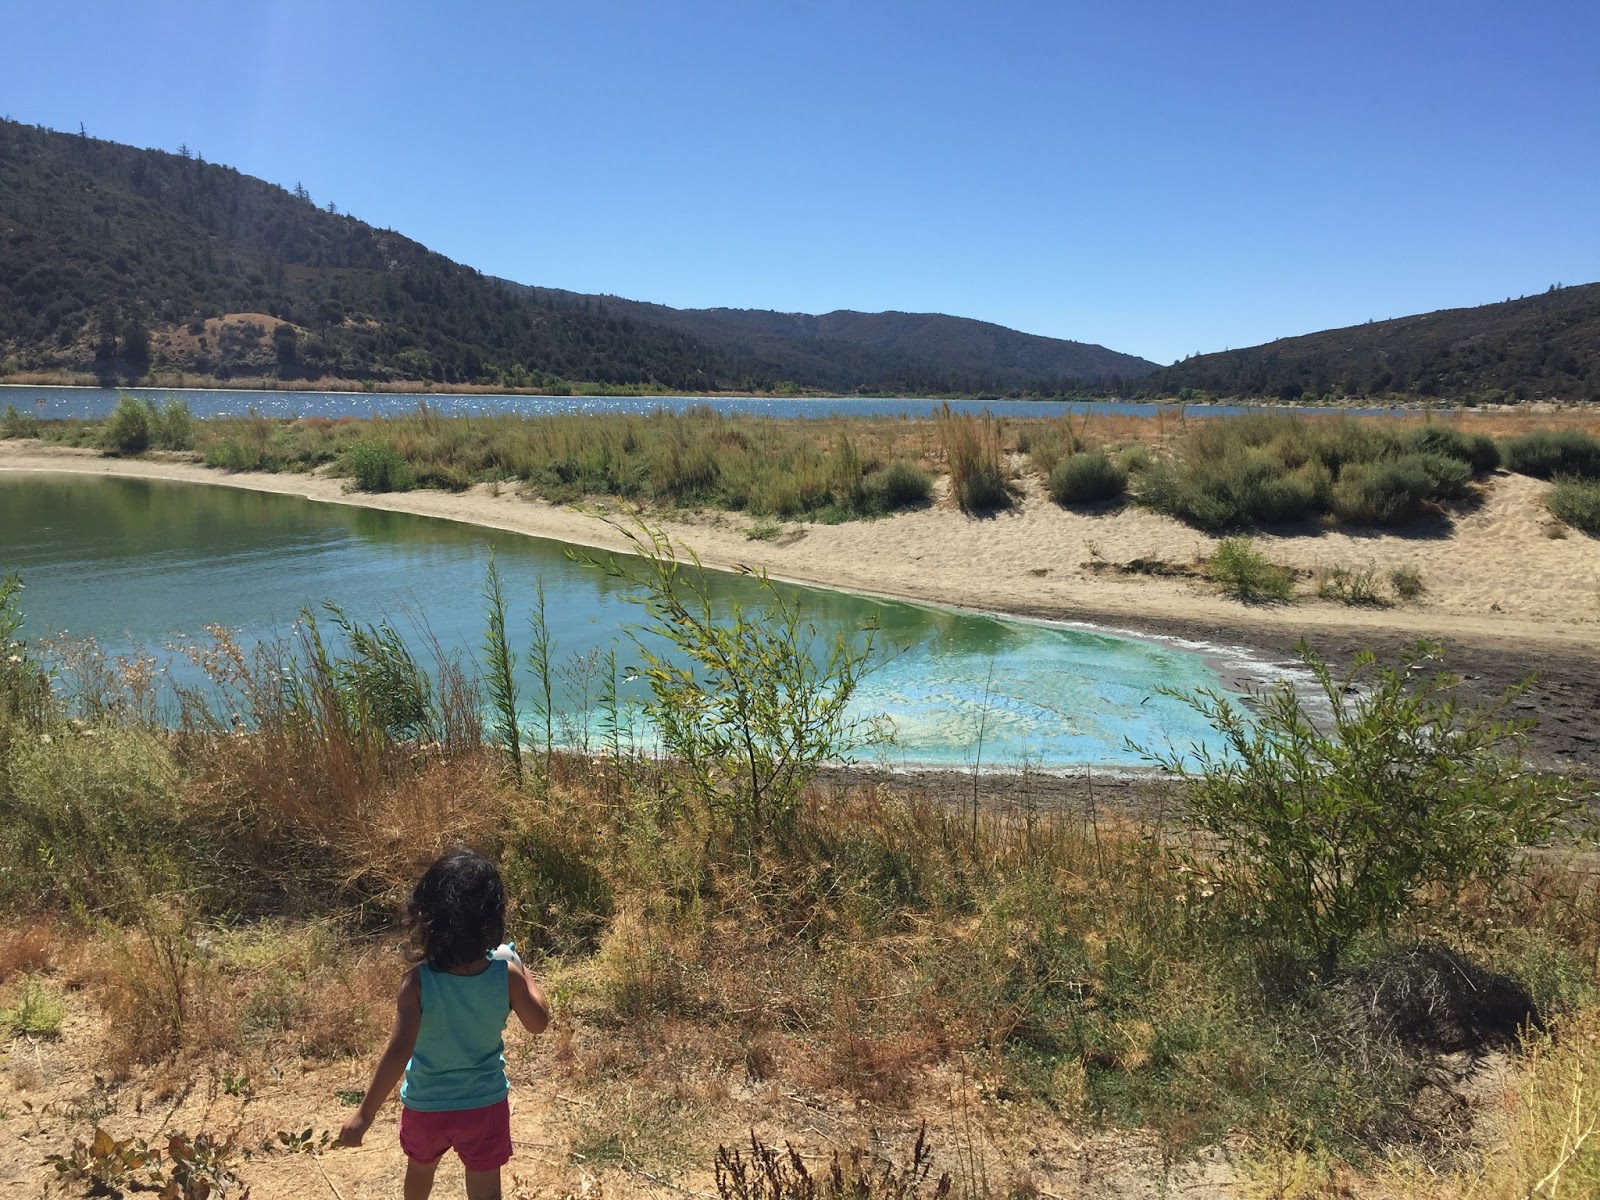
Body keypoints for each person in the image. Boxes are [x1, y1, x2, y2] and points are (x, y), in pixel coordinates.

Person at [340, 848, 550, 1200]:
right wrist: (521, 968)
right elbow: (539, 1023)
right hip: (484, 1106)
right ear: (493, 917)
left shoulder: (417, 982)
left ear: (426, 917)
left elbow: (397, 1052)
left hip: (426, 1106)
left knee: (420, 1172)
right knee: (484, 1186)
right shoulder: (506, 974)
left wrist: (365, 1113)